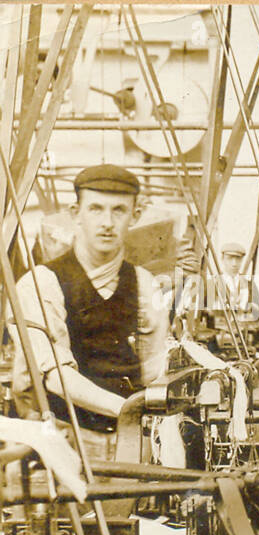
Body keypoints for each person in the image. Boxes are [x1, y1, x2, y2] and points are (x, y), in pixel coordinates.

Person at [7, 164, 169, 462]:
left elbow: (154, 371)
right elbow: (55, 376)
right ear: (75, 213)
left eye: (118, 210)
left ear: (134, 217)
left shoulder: (147, 286)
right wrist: (126, 409)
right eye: (95, 209)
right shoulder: (40, 283)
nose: (107, 222)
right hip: (63, 443)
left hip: (132, 444)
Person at [218, 242, 259, 324]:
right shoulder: (214, 284)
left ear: (242, 260)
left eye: (238, 259)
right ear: (222, 259)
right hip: (222, 334)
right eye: (229, 259)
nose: (234, 263)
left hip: (245, 333)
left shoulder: (250, 285)